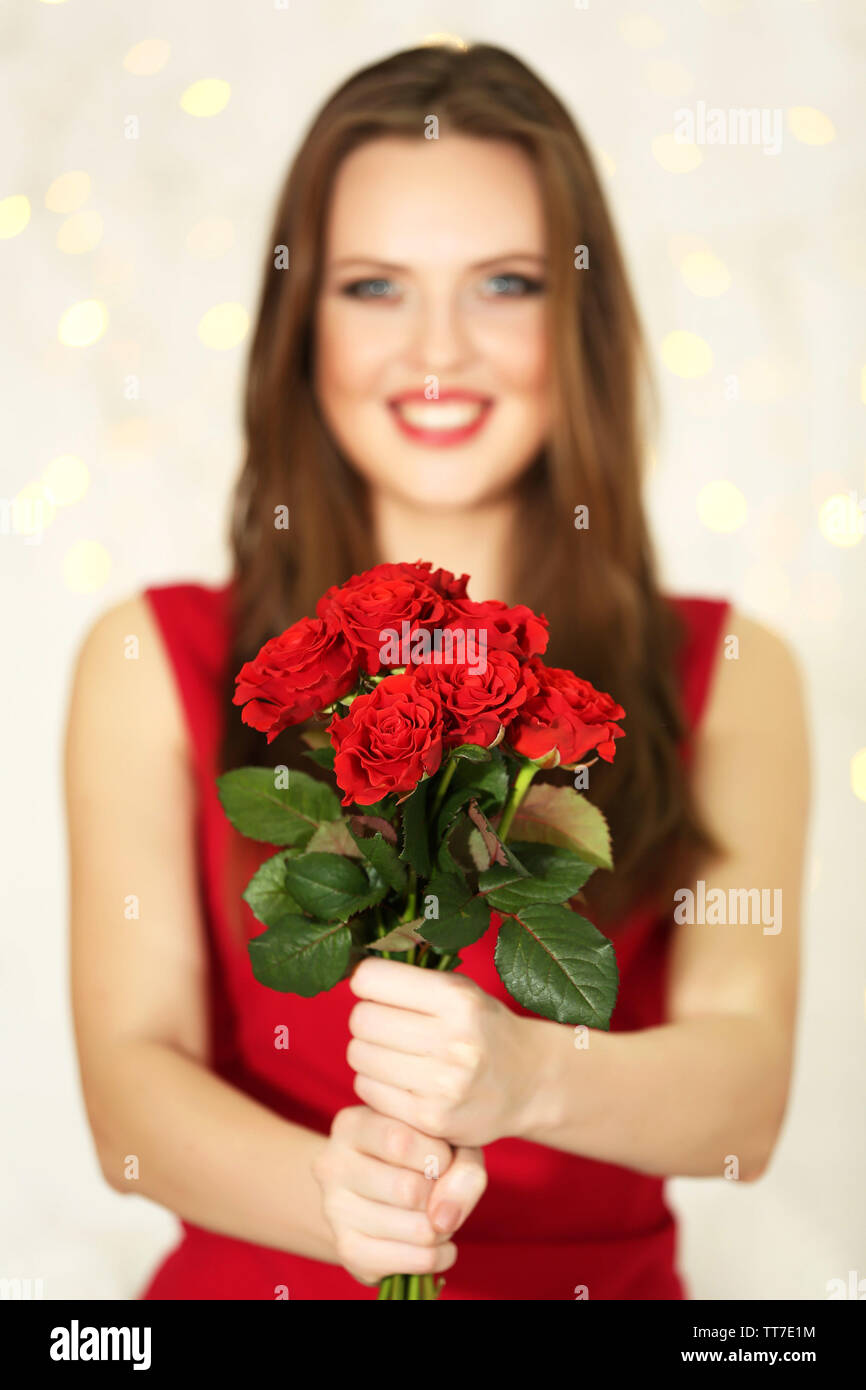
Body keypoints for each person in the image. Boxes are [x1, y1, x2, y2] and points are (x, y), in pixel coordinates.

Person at [64, 42, 809, 1301]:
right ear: (301, 322)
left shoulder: (731, 668)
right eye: (372, 287)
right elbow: (130, 1086)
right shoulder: (150, 655)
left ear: (579, 314)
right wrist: (340, 1205)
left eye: (505, 282)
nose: (437, 348)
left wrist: (533, 1075)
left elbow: (742, 1100)